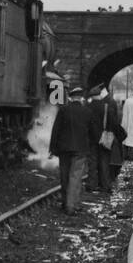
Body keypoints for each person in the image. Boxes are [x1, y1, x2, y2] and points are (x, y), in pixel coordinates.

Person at [49, 87, 95, 215]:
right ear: (81, 98)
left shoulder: (63, 110)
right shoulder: (87, 111)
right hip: (80, 149)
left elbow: (55, 130)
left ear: (70, 98)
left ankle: (66, 203)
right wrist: (90, 147)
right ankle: (71, 206)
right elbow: (92, 132)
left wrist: (52, 148)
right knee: (75, 177)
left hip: (63, 149)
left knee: (64, 176)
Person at [90, 86, 126, 192]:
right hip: (104, 139)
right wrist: (121, 136)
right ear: (100, 95)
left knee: (92, 162)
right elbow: (114, 123)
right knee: (104, 162)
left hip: (91, 139)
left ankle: (91, 184)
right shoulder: (106, 107)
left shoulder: (87, 107)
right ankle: (105, 185)